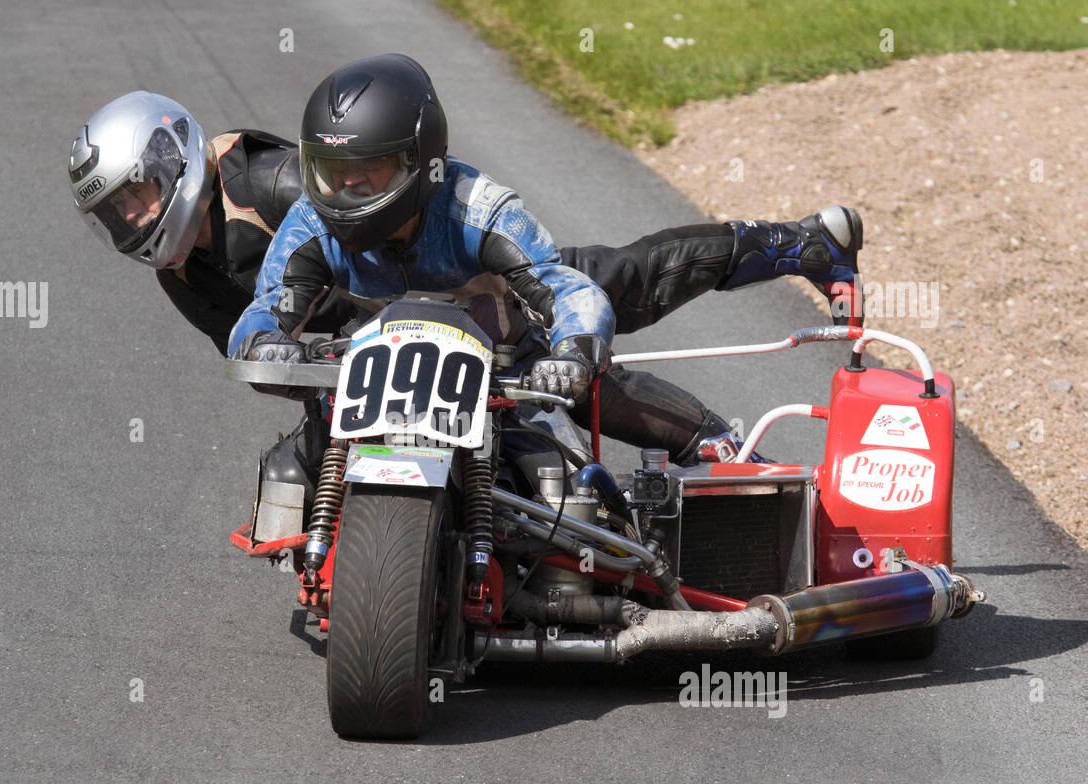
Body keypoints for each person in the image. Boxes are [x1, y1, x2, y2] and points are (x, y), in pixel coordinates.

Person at [68, 72, 860, 482]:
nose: (134, 221)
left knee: (623, 292)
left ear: (174, 160)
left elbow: (352, 229)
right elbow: (266, 334)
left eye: (137, 196)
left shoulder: (275, 185)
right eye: (117, 213)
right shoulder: (180, 273)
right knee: (304, 460)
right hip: (378, 339)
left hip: (472, 292)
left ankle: (798, 251)